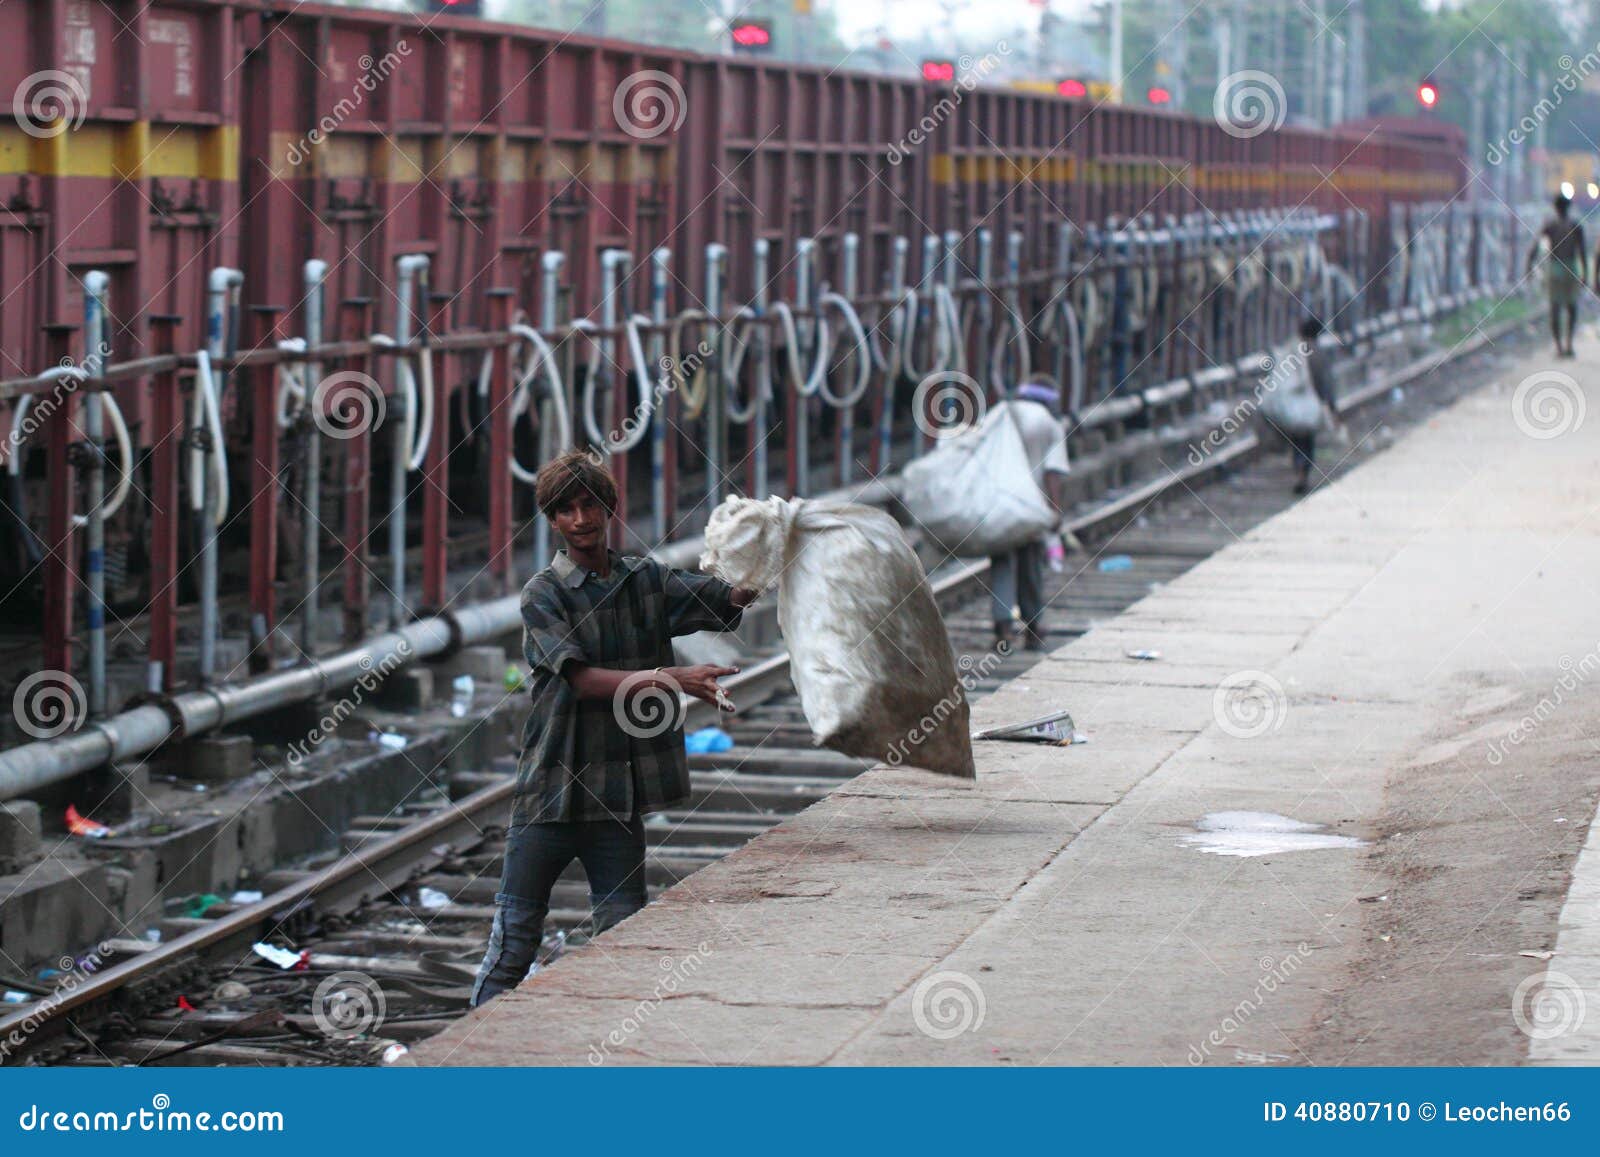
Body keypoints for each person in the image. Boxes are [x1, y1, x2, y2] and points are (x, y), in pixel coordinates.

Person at [471, 450, 758, 1006]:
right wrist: (673, 677)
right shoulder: (543, 594)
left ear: (609, 508)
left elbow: (724, 597)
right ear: (552, 521)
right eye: (566, 510)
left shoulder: (644, 580)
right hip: (550, 796)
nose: (581, 519)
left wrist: (760, 561)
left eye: (590, 504)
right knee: (512, 947)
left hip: (615, 801)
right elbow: (580, 680)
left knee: (623, 946)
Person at [989, 375, 1071, 652]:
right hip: (1031, 506)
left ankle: (1002, 628)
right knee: (1030, 566)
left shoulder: (1002, 414)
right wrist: (1055, 511)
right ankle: (1033, 628)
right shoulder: (1049, 424)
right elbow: (1052, 472)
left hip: (998, 503)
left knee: (1001, 561)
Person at [1286, 316, 1341, 496]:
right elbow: (1325, 383)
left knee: (1296, 441)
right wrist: (1332, 407)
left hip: (1292, 404)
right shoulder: (1318, 353)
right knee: (1307, 441)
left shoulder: (1292, 352)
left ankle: (1297, 473)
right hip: (1310, 405)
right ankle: (1302, 474)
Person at [1528, 190, 1585, 358]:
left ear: (1555, 208)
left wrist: (1529, 267)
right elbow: (1581, 251)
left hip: (1554, 268)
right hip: (1571, 267)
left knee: (1555, 307)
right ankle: (1568, 343)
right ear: (1568, 207)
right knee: (1571, 307)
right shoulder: (1575, 225)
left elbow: (1534, 247)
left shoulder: (1550, 225)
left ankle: (1559, 346)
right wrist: (1585, 275)